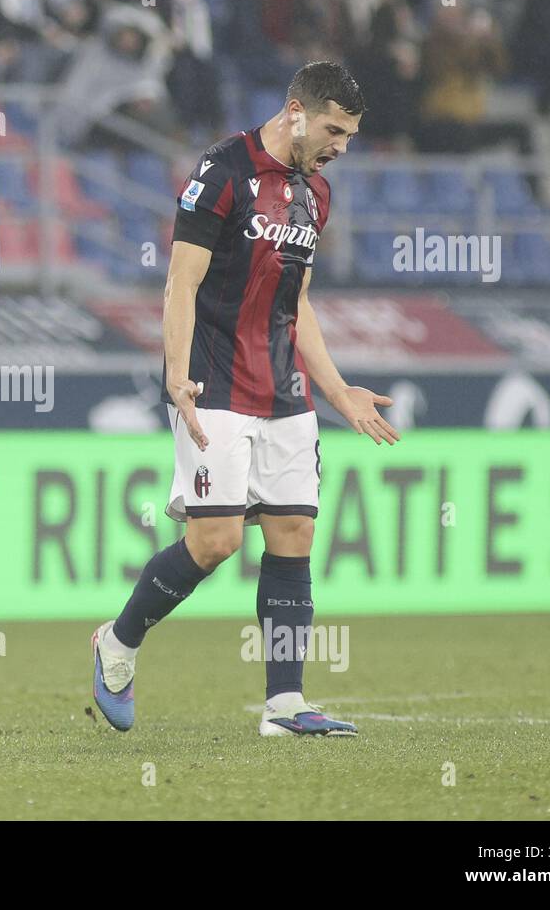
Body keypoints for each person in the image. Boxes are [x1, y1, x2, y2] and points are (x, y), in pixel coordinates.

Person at [91, 62, 399, 737]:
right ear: (296, 111)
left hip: (285, 386)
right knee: (216, 539)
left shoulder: (316, 194)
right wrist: (176, 376)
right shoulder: (222, 170)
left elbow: (300, 303)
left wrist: (338, 388)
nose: (341, 146)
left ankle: (284, 705)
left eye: (349, 135)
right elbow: (181, 281)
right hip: (216, 377)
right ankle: (118, 641)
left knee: (295, 533)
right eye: (334, 130)